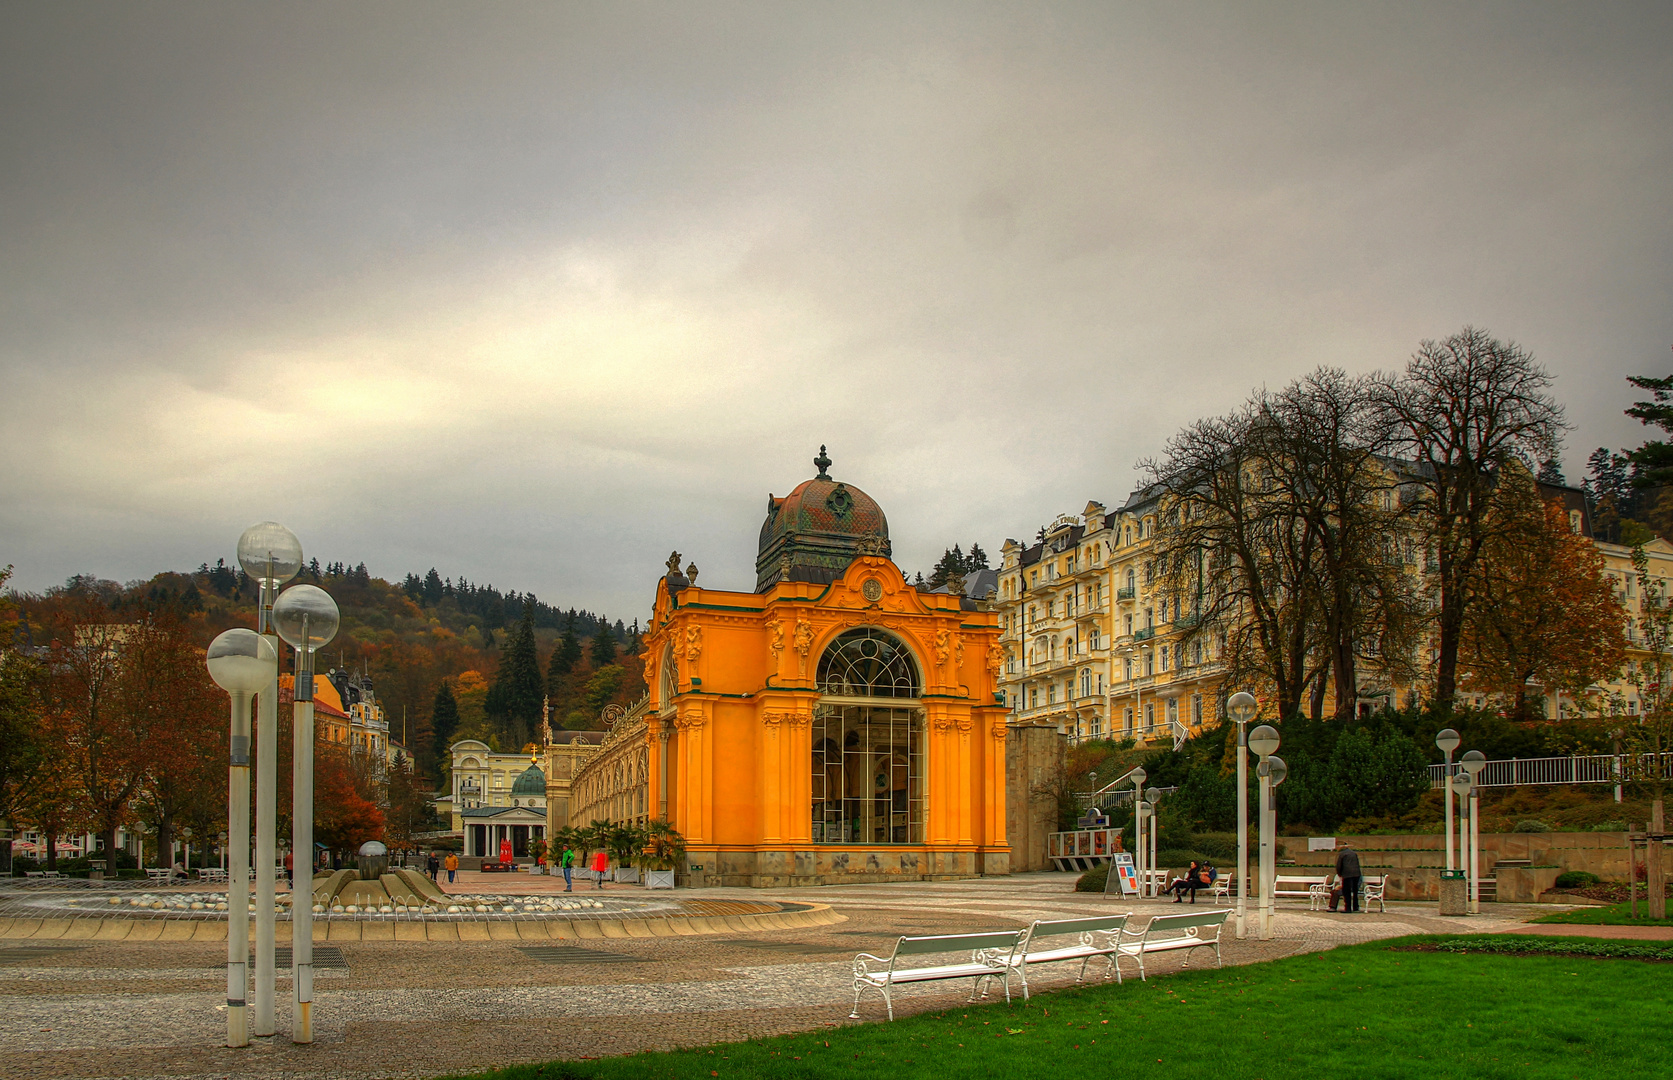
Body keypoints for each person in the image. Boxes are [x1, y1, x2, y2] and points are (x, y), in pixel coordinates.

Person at [1335, 844, 1362, 913]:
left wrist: (1339, 874)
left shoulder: (1342, 854)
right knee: (1355, 891)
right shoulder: (1354, 853)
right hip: (1356, 874)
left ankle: (1348, 908)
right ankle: (1356, 907)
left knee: (1347, 892)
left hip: (1347, 874)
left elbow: (1339, 865)